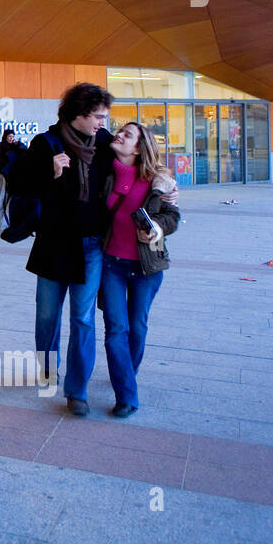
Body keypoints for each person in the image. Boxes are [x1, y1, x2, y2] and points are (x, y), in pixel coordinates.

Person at [6, 83, 117, 416]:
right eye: (97, 116)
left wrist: (163, 186)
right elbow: (18, 184)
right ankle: (47, 368)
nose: (101, 122)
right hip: (54, 244)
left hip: (91, 246)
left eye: (103, 117)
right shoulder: (45, 143)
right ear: (78, 114)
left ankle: (77, 391)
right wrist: (49, 172)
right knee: (47, 315)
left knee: (83, 319)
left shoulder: (105, 144)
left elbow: (132, 171)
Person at [100, 122, 180, 418]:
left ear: (139, 146)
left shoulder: (158, 180)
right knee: (116, 328)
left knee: (137, 327)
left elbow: (173, 216)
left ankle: (126, 374)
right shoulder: (105, 172)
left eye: (127, 134)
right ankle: (126, 395)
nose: (119, 135)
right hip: (112, 264)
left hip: (147, 267)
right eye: (119, 130)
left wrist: (157, 228)